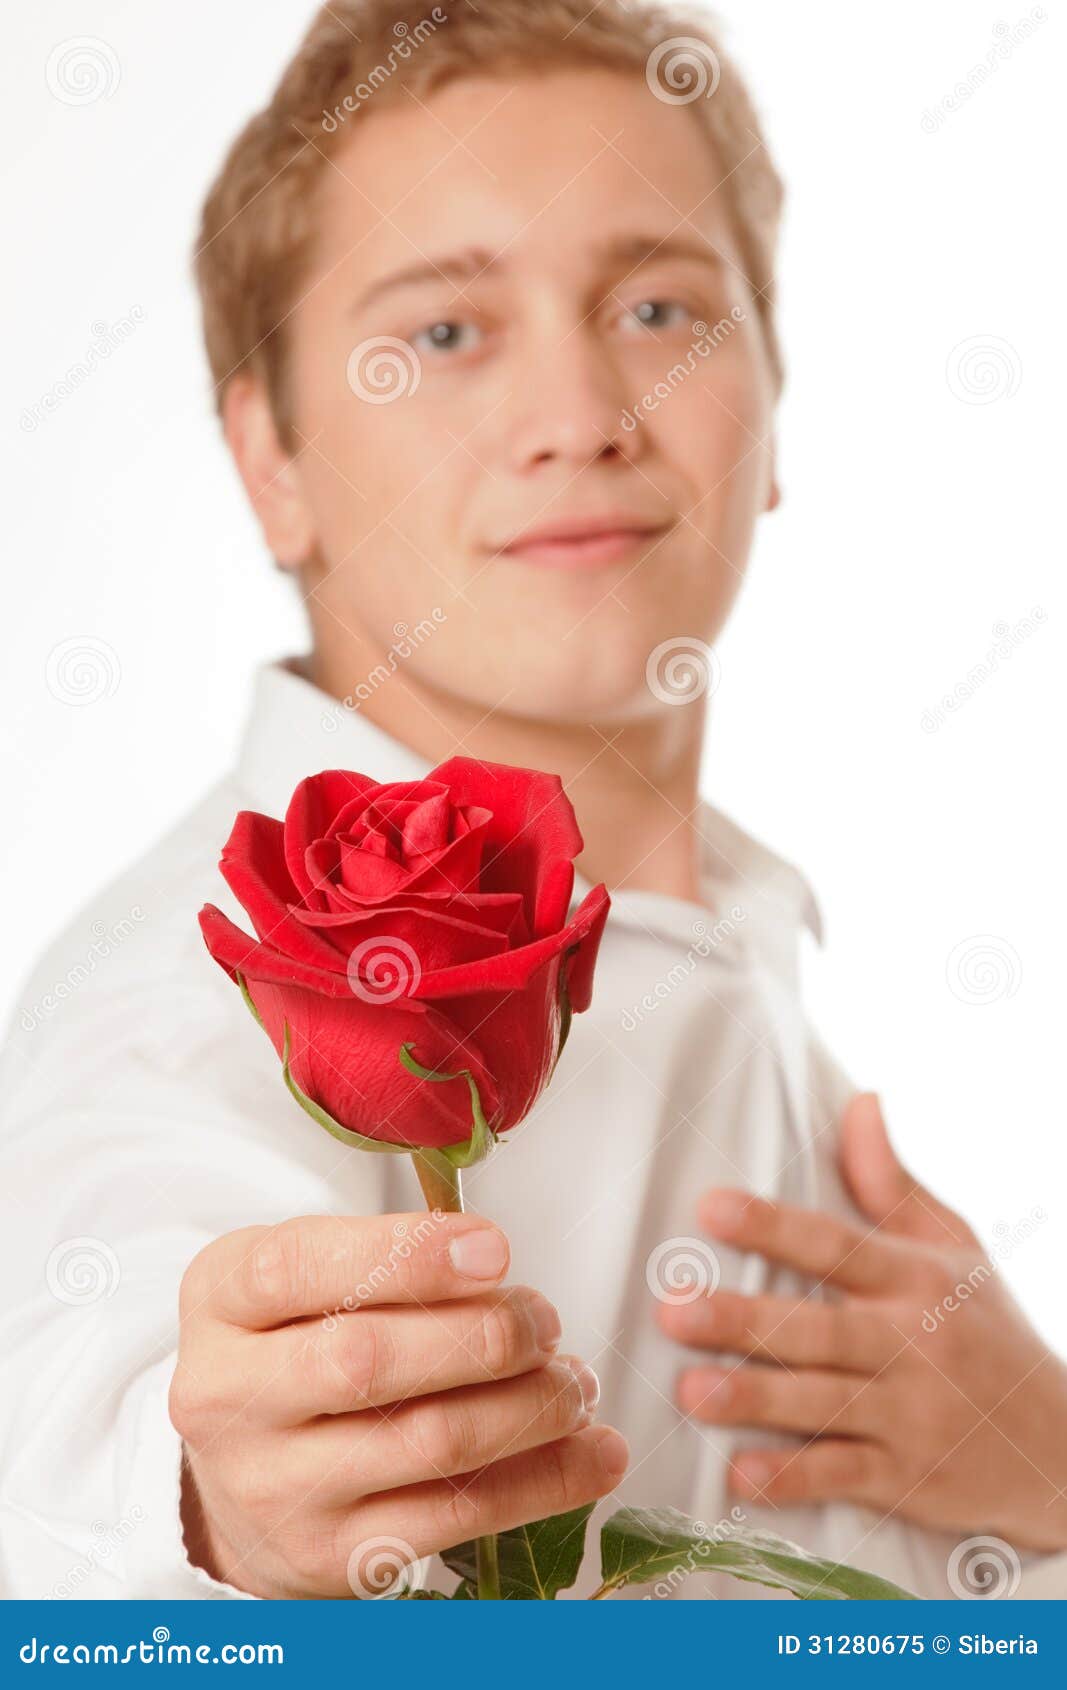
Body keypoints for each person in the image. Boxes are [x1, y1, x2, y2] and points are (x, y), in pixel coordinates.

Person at [2, 0, 1065, 1601]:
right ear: (269, 460)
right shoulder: (187, 1000)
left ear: (772, 395)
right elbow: (95, 1395)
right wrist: (210, 1507)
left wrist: (1042, 1461)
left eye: (657, 307)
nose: (582, 415)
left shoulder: (752, 951)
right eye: (441, 333)